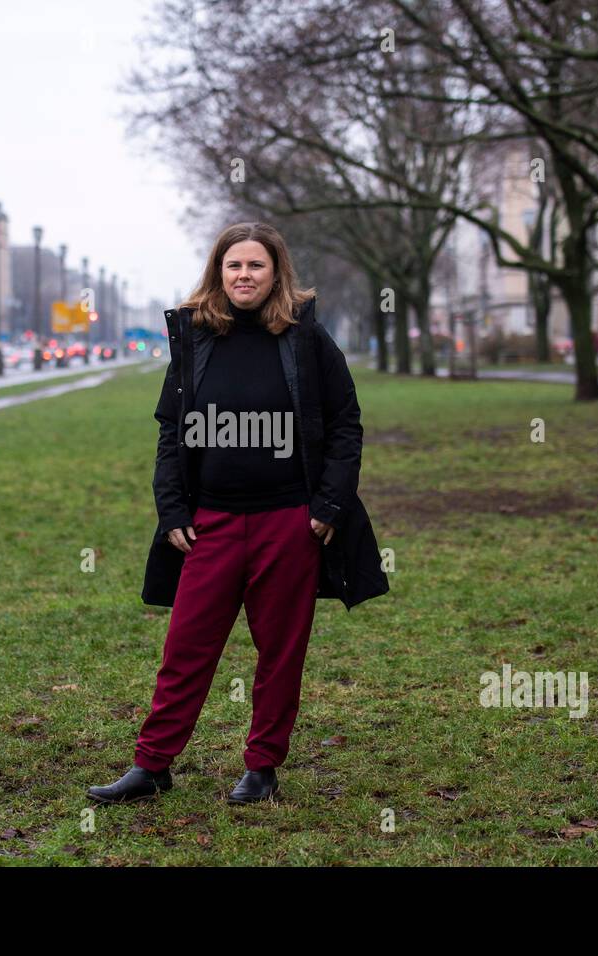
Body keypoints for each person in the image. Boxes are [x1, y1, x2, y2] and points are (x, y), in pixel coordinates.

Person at [87, 222, 389, 807]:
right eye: (234, 266)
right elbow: (172, 432)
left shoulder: (306, 339)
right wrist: (171, 506)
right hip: (211, 525)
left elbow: (346, 422)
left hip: (289, 524)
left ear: (276, 273)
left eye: (256, 265)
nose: (244, 275)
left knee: (280, 652)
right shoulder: (195, 338)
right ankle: (152, 766)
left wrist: (328, 504)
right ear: (218, 273)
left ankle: (262, 767)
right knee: (186, 648)